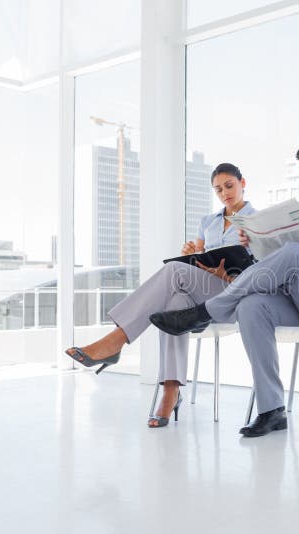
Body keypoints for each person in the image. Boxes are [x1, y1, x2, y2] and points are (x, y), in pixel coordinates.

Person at [150, 140, 299, 437]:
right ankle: (272, 409)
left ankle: (206, 311)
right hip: (296, 299)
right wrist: (257, 246)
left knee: (293, 252)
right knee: (252, 306)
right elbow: (280, 265)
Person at [64, 163, 256, 427]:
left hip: (233, 292)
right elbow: (198, 260)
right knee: (174, 305)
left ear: (242, 183)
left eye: (229, 186)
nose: (224, 193)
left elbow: (261, 270)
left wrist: (226, 275)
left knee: (173, 271)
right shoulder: (208, 222)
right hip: (201, 291)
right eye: (218, 189)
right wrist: (190, 253)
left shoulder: (257, 219)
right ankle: (170, 390)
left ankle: (116, 340)